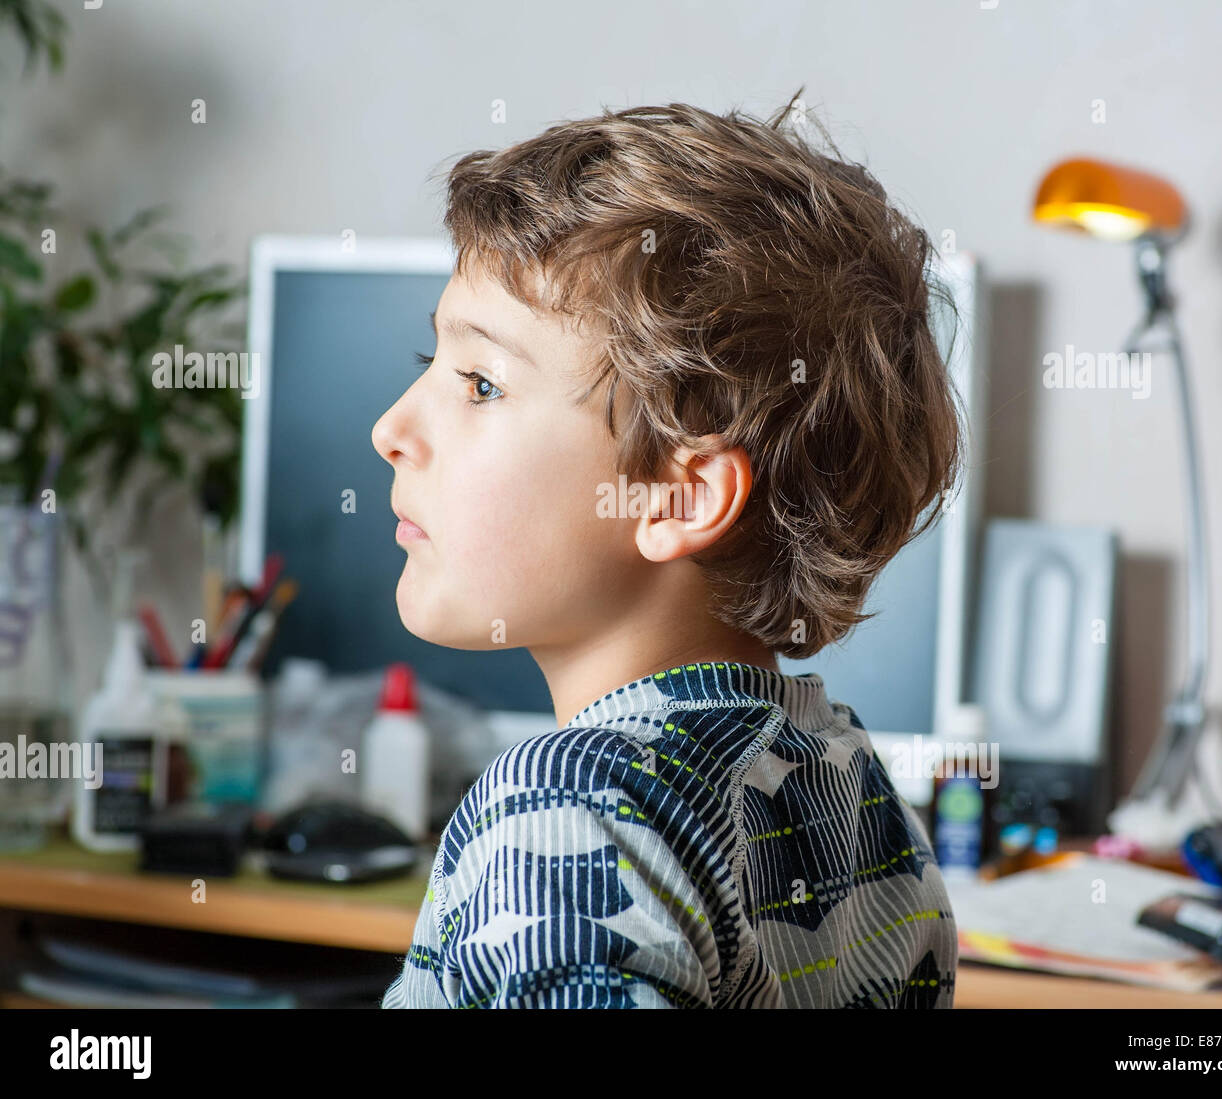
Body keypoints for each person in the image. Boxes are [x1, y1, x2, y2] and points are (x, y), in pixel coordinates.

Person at [372, 90, 963, 1008]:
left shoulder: (575, 810)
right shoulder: (858, 790)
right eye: (430, 369)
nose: (392, 430)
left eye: (481, 382)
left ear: (682, 495)